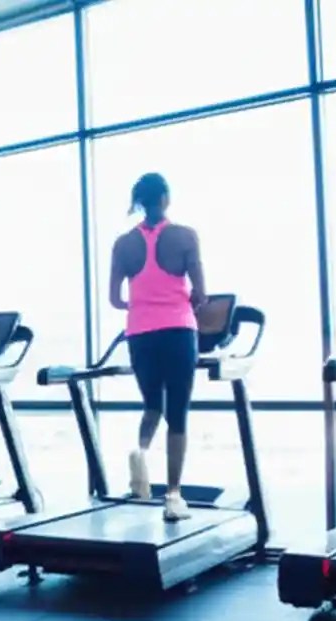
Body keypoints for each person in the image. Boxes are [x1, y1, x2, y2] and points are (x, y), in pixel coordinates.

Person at [108, 172, 206, 522]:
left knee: (153, 405)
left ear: (139, 201)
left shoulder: (123, 243)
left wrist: (144, 304)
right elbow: (201, 294)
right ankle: (174, 496)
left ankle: (140, 452)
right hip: (178, 330)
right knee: (177, 414)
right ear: (165, 197)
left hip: (140, 334)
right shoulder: (184, 236)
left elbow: (115, 299)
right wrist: (178, 301)